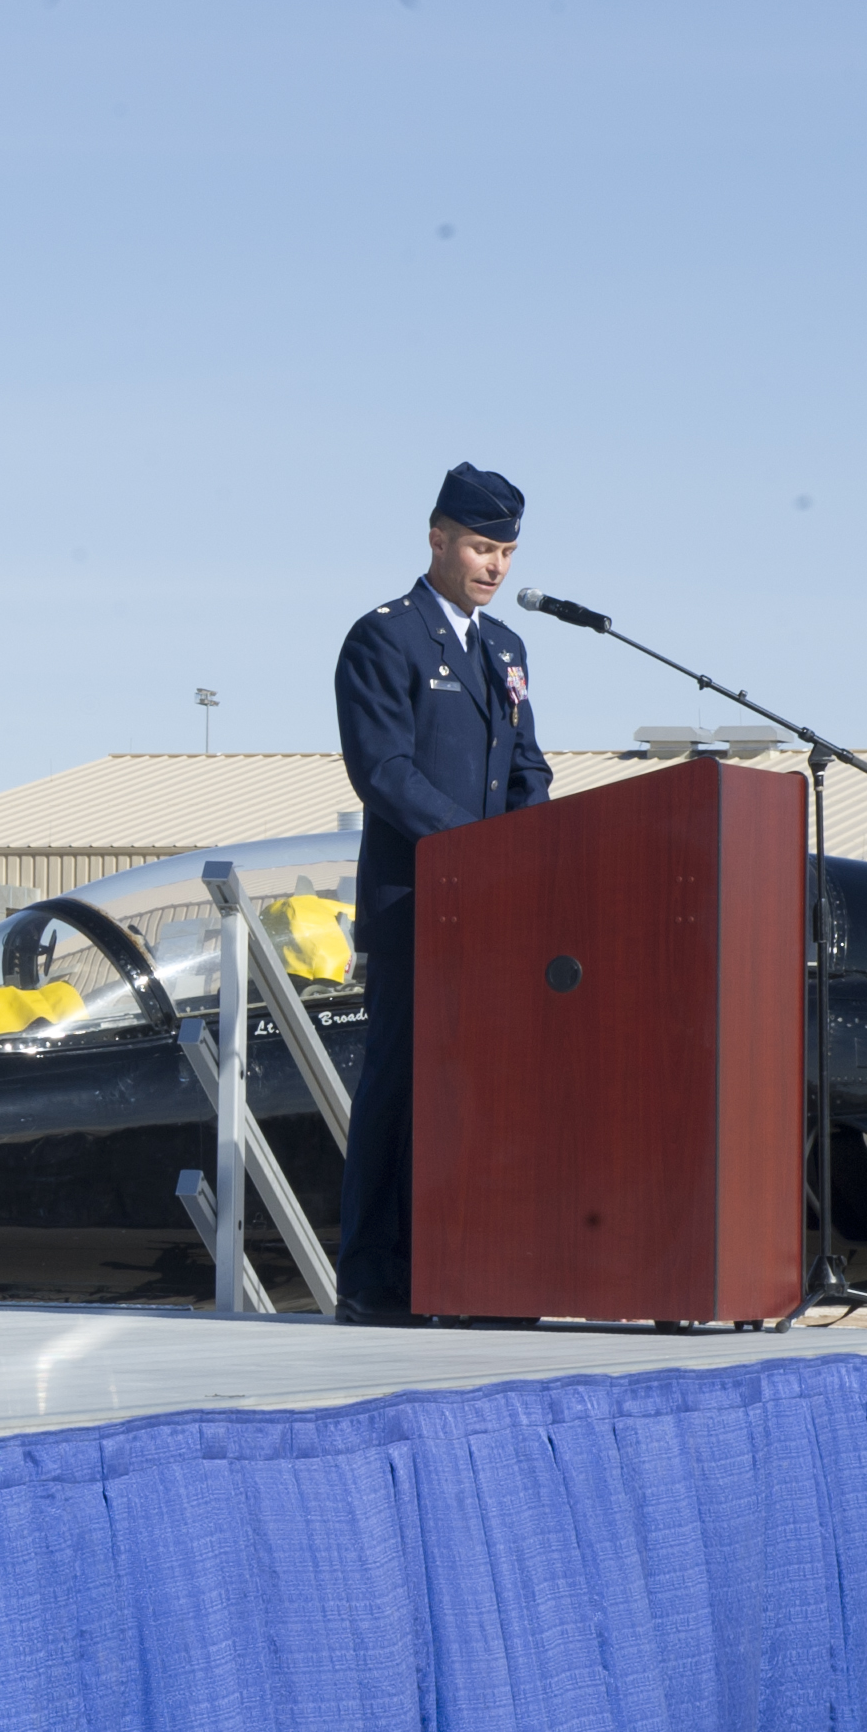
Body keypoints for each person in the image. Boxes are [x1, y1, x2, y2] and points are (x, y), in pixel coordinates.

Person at [332, 464, 554, 1322]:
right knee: (399, 1088)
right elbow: (382, 771)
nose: (494, 566)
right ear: (436, 539)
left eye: (506, 551)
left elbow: (526, 766)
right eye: (479, 547)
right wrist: (477, 850)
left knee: (485, 1091)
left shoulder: (506, 649)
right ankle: (372, 1279)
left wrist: (531, 850)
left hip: (494, 909)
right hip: (417, 904)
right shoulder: (385, 637)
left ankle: (467, 1269)